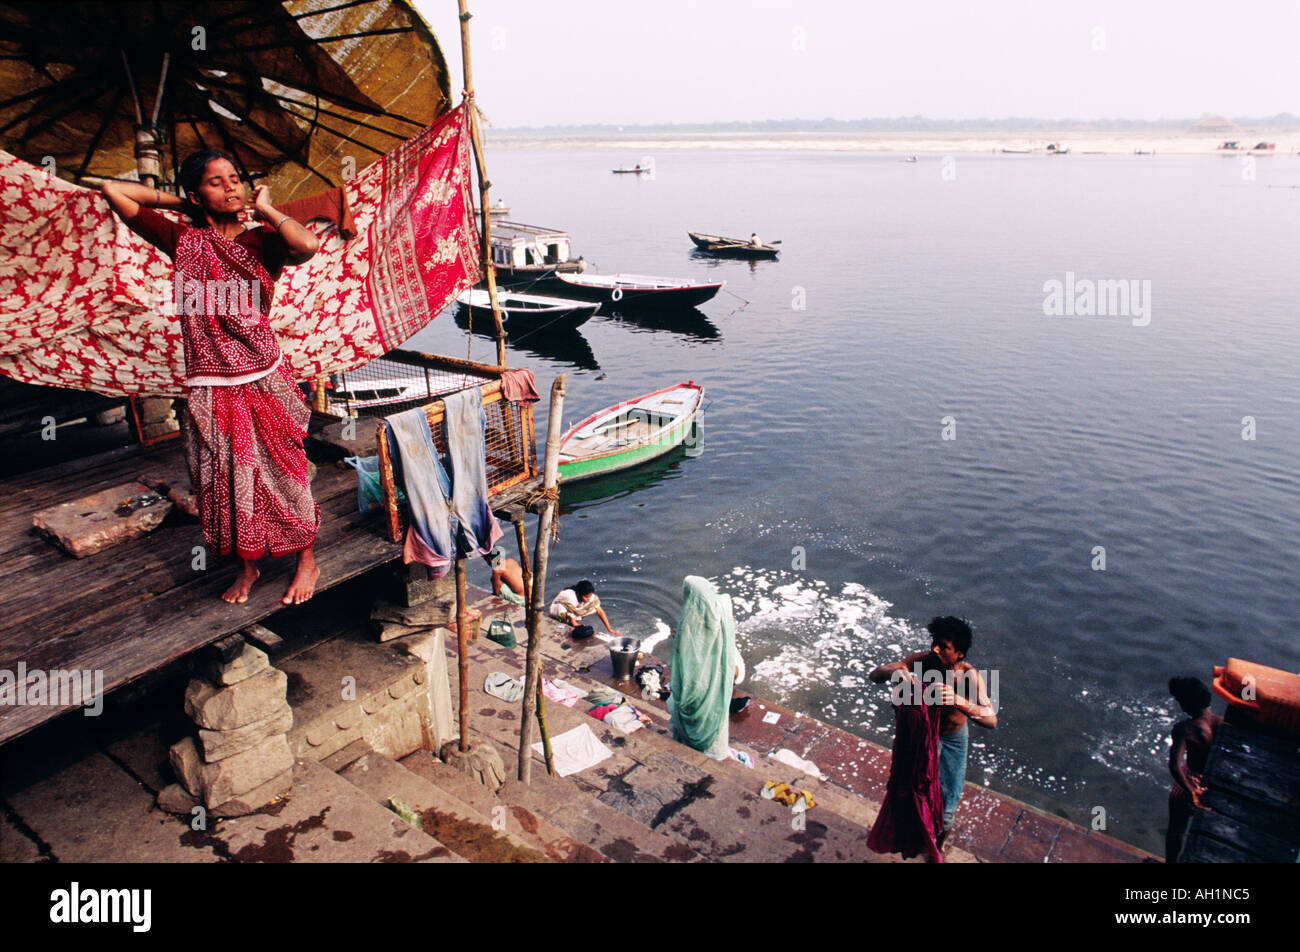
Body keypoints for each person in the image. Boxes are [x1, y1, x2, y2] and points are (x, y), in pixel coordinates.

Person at [101, 150, 322, 605]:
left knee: (284, 470)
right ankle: (247, 565)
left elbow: (308, 245)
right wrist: (184, 208)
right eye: (216, 181)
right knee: (221, 475)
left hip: (262, 375)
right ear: (195, 192)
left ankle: (306, 559)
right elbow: (112, 189)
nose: (231, 187)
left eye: (235, 177)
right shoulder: (182, 239)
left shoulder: (263, 240)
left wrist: (265, 208)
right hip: (210, 382)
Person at [869, 616, 997, 848]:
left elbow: (991, 719)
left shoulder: (971, 676)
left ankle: (937, 848)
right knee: (909, 790)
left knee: (948, 803)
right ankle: (909, 833)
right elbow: (875, 675)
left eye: (944, 647)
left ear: (959, 654)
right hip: (923, 734)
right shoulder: (922, 662)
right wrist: (894, 671)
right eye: (934, 642)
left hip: (953, 739)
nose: (935, 649)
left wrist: (958, 701)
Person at [667, 576, 744, 760]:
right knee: (708, 731)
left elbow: (735, 672)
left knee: (694, 729)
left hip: (702, 693)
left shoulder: (695, 621)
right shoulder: (705, 619)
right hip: (708, 698)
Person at [1166, 676, 1221, 863]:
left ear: (1187, 702)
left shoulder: (1185, 729)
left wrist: (1191, 791)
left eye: (1180, 700)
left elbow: (1174, 765)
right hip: (1214, 785)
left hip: (1190, 783)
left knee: (1176, 831)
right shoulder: (1223, 725)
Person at [549, 580, 620, 637]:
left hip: (574, 610)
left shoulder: (590, 597)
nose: (588, 599)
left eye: (590, 596)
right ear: (579, 593)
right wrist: (581, 628)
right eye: (586, 597)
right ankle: (564, 624)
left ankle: (573, 624)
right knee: (562, 612)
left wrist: (609, 629)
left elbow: (600, 611)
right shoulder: (570, 596)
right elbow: (571, 617)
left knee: (593, 608)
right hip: (558, 609)